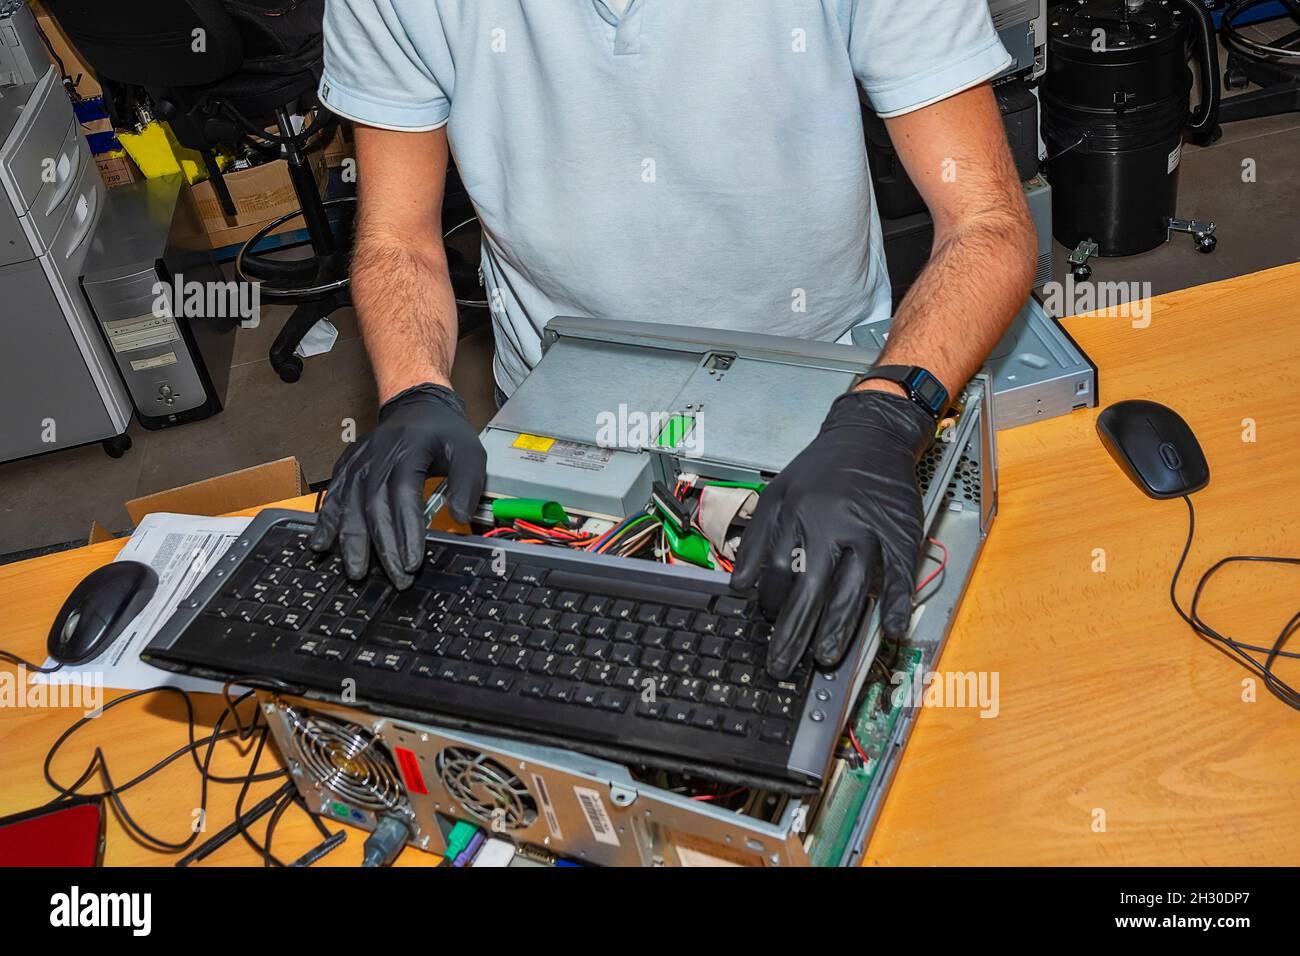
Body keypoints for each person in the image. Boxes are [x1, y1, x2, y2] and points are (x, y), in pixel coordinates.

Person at [310, 0, 1037, 678]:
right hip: (555, 419)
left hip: (831, 416)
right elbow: (399, 237)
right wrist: (413, 390)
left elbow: (986, 223)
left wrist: (887, 411)